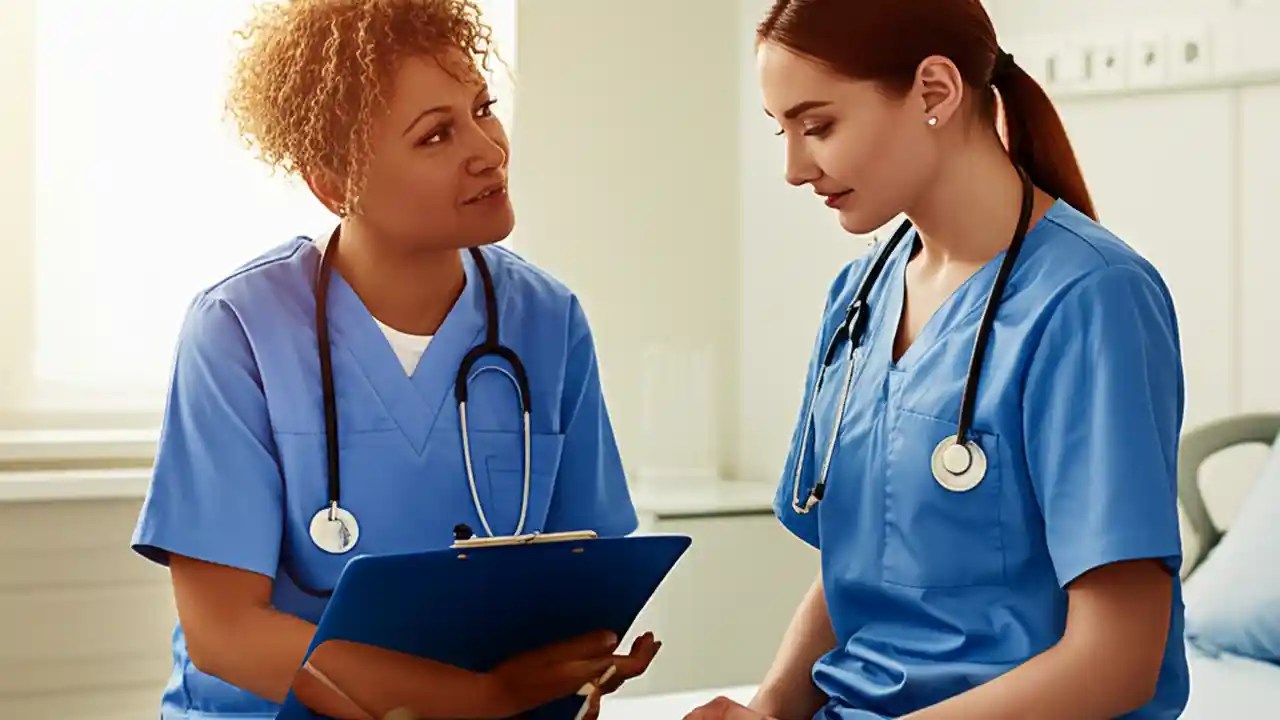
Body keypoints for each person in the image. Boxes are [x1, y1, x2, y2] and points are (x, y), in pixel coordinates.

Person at [130, 1, 658, 718]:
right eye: (437, 134)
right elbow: (226, 634)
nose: (489, 150)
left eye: (483, 108)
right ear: (334, 182)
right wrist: (475, 700)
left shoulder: (547, 319)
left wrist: (572, 674)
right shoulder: (238, 329)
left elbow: (583, 570)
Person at [687, 1, 1187, 718]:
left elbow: (1116, 662)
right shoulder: (859, 296)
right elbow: (860, 567)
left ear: (935, 92)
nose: (795, 168)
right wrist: (768, 710)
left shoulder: (1091, 300)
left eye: (818, 125)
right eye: (783, 132)